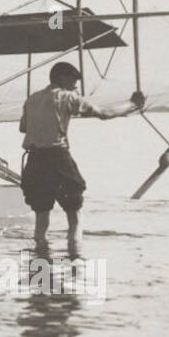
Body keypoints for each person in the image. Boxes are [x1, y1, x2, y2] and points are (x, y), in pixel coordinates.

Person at [19, 61, 144, 251]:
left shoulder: (32, 99)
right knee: (74, 212)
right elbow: (104, 113)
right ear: (62, 78)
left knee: (41, 216)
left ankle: (41, 257)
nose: (76, 86)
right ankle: (75, 255)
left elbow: (23, 127)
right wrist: (132, 104)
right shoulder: (68, 97)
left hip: (35, 160)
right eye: (73, 81)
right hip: (57, 158)